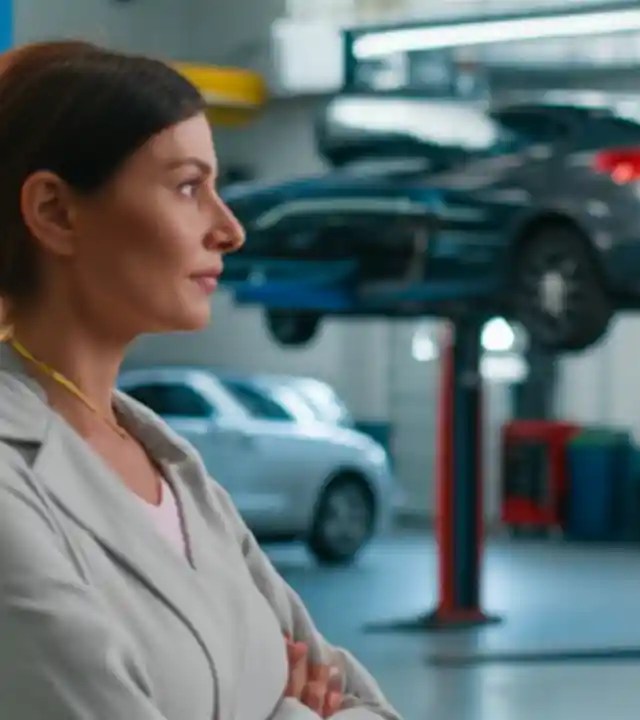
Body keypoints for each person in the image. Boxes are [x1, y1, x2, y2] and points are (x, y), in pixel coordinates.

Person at [0, 42, 402, 719]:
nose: (230, 228)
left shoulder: (176, 469)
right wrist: (295, 713)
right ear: (56, 213)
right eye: (188, 187)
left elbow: (367, 704)